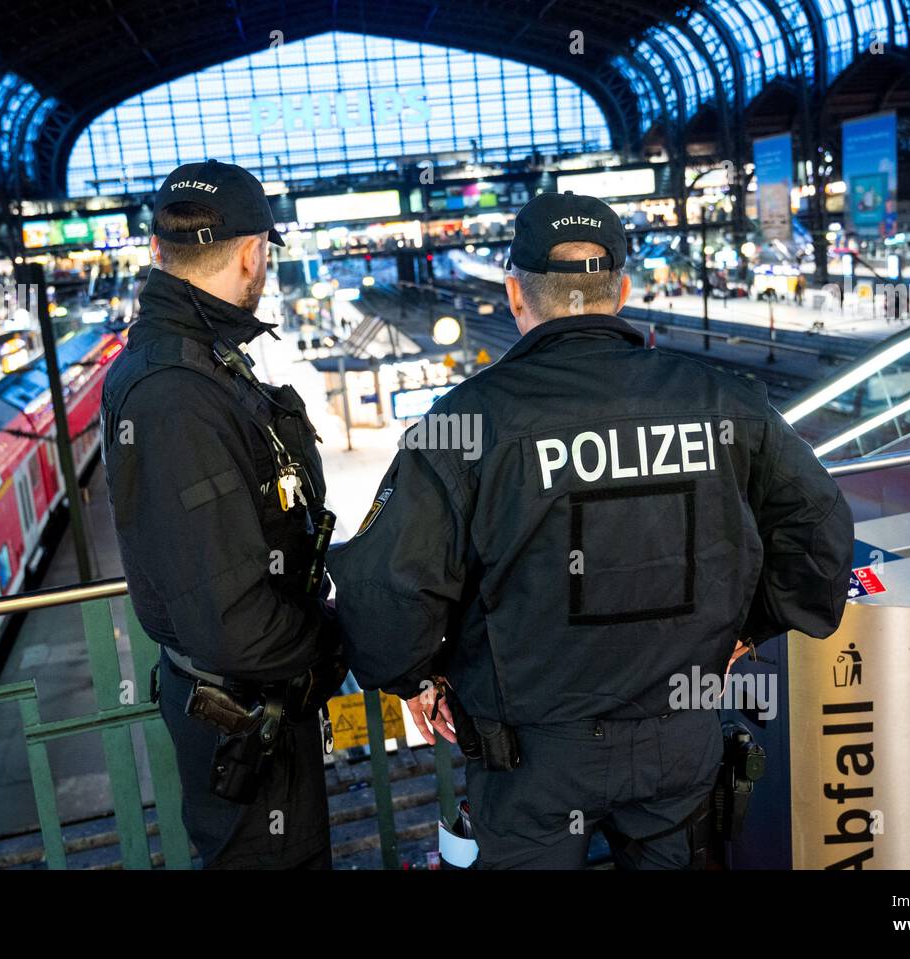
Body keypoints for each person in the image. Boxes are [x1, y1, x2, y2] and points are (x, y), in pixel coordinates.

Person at [327, 191, 854, 870]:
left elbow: (381, 592)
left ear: (515, 293)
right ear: (624, 289)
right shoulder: (721, 401)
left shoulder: (462, 425)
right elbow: (818, 527)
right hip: (679, 740)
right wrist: (749, 633)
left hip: (529, 760)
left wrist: (419, 678)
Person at [100, 160, 344, 869]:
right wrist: (338, 639)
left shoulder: (192, 364)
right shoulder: (178, 392)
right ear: (252, 252)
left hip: (251, 702)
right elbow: (232, 619)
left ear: (157, 251)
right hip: (245, 714)